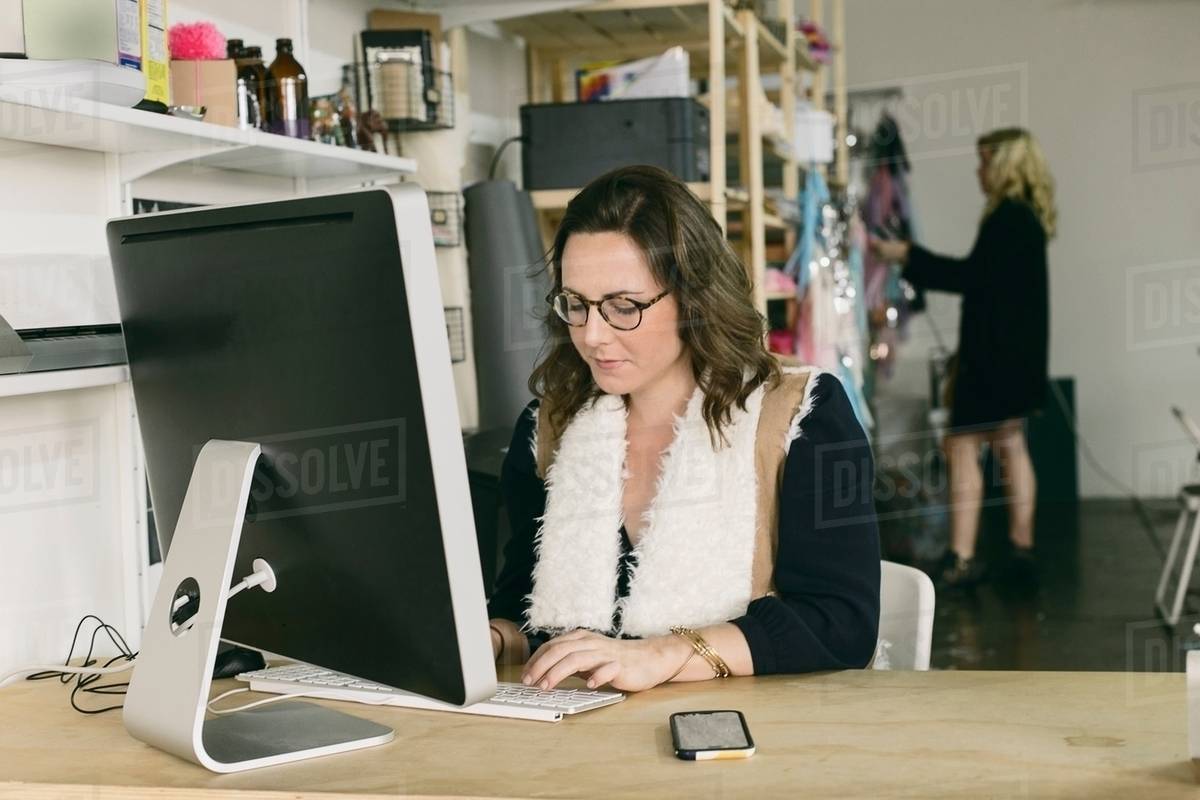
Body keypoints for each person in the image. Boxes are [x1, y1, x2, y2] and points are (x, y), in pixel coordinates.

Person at [486, 165, 880, 693]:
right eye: (576, 304)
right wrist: (494, 637)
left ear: (694, 300)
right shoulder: (547, 430)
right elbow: (527, 612)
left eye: (623, 307)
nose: (592, 334)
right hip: (584, 730)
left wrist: (663, 655)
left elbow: (843, 624)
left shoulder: (802, 414)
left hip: (750, 731)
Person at [870, 128, 1056, 587]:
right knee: (1011, 444)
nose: (979, 171)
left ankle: (962, 558)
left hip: (991, 359)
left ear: (1005, 165)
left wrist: (907, 255)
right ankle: (1022, 547)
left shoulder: (1006, 218)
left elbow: (971, 277)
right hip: (1019, 358)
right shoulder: (1026, 217)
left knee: (962, 446)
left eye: (985, 162)